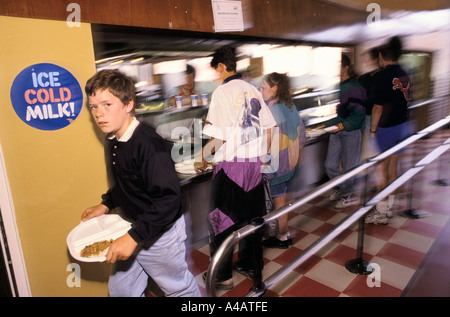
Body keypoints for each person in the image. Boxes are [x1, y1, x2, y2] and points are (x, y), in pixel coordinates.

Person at [82, 69, 201, 297]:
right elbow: (126, 183)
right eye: (94, 107)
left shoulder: (148, 145)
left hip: (160, 234)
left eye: (107, 104)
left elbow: (169, 200)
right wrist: (106, 204)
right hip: (134, 228)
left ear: (128, 104)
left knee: (178, 289)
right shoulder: (113, 139)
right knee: (120, 291)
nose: (99, 113)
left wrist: (134, 237)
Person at [194, 46, 276, 289]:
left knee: (222, 221)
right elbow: (269, 127)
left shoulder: (222, 92)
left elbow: (218, 136)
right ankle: (250, 264)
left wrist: (202, 158)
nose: (215, 77)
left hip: (231, 169)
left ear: (221, 67)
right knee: (252, 221)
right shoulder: (252, 90)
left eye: (215, 72)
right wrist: (263, 157)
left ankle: (221, 276)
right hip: (254, 169)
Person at [366, 36, 412, 225]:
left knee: (380, 171)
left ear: (381, 56)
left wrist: (373, 131)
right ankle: (389, 208)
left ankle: (381, 212)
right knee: (392, 169)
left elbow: (377, 108)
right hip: (403, 126)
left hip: (386, 128)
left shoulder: (381, 76)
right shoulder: (404, 73)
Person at [260, 72, 305, 249]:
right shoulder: (291, 106)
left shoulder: (271, 110)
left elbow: (267, 140)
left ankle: (282, 237)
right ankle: (280, 234)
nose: (261, 90)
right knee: (281, 200)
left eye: (264, 87)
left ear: (275, 88)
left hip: (276, 165)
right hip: (290, 162)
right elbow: (302, 134)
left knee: (278, 201)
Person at [319, 54, 367, 209]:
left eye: (338, 66)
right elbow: (337, 112)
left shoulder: (355, 88)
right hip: (336, 131)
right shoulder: (338, 86)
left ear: (346, 67)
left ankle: (347, 195)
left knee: (349, 167)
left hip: (351, 132)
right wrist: (326, 124)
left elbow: (358, 115)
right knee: (329, 165)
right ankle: (340, 188)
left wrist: (341, 125)